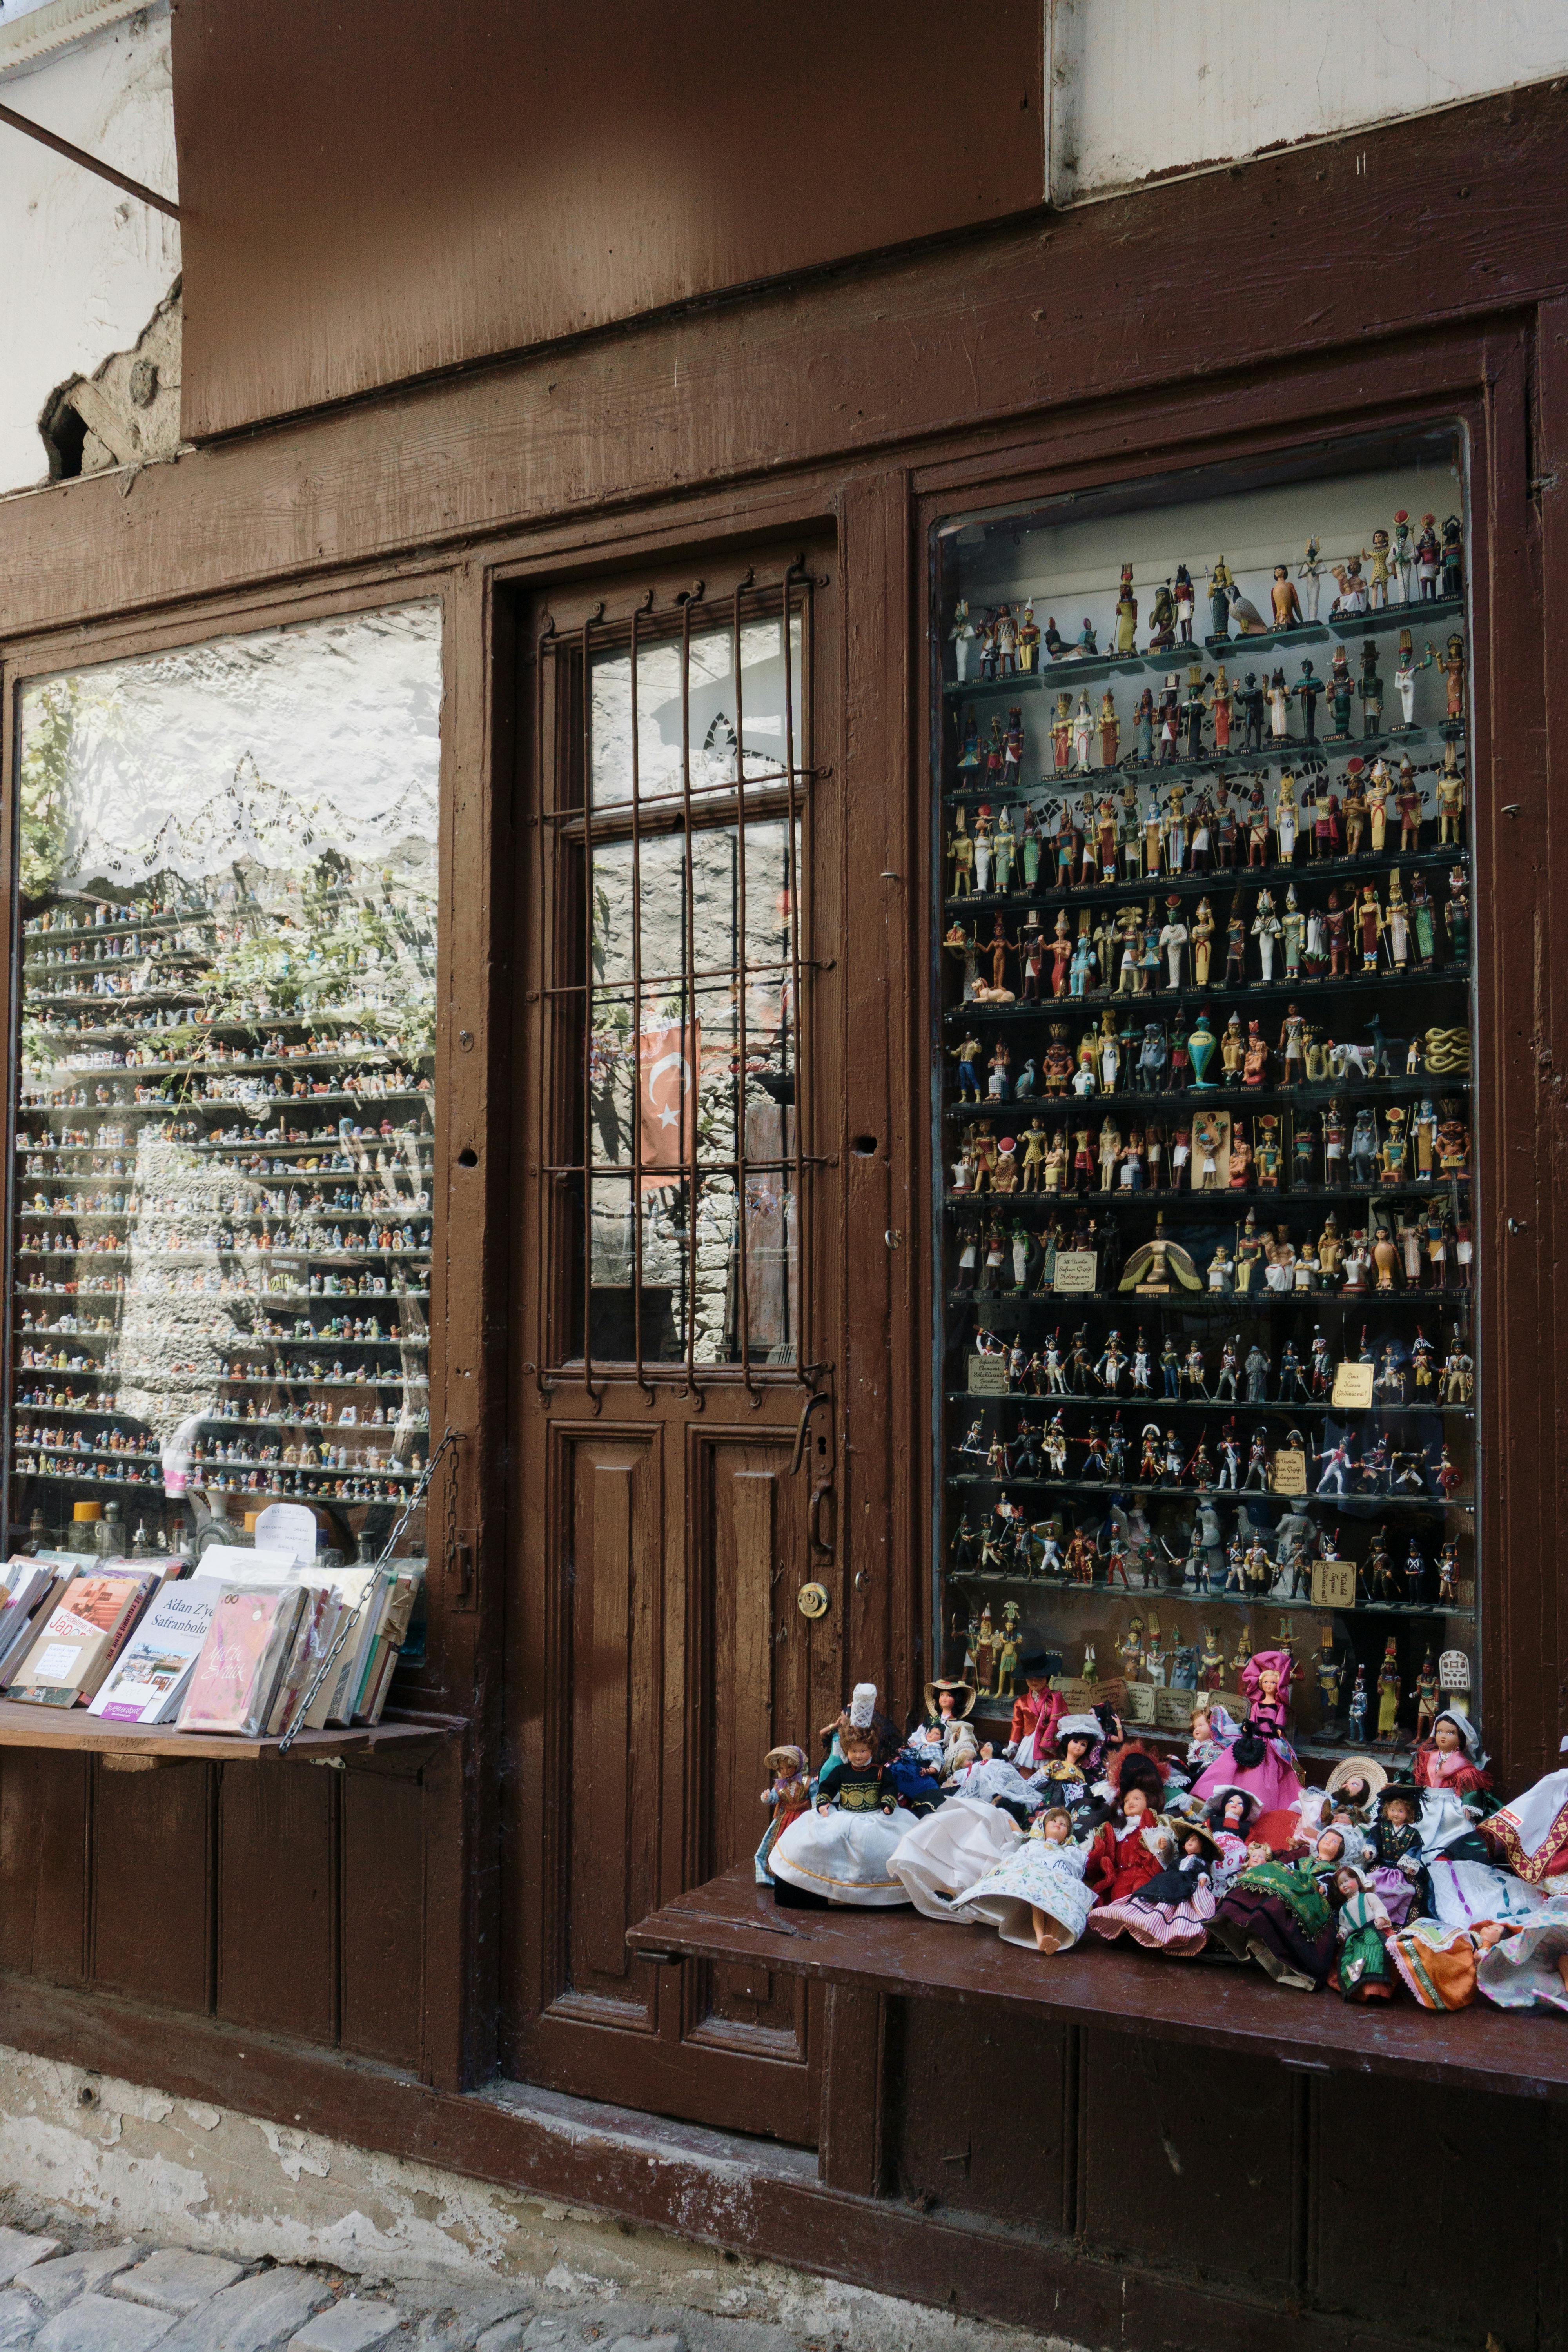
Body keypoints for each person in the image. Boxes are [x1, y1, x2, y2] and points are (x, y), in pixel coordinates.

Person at [768, 1684, 918, 1907]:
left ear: (871, 1750)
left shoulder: (880, 1771)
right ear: (846, 1751)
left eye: (864, 1751)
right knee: (816, 1840)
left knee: (885, 1845)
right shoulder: (841, 1771)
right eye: (854, 1751)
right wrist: (823, 1803)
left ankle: (884, 1898)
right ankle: (824, 1892)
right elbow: (828, 1788)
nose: (859, 1756)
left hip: (874, 1816)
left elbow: (889, 1787)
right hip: (845, 1815)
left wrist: (888, 1802)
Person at [958, 1806, 1095, 1952]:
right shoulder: (1034, 1845)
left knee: (1057, 1912)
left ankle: (1052, 1940)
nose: (1058, 1825)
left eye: (1063, 1825)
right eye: (1053, 1821)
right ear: (1043, 1827)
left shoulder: (1070, 1851)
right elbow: (1019, 1859)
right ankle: (1040, 1938)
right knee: (1038, 1908)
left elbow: (1077, 1868)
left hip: (1057, 1886)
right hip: (1036, 1882)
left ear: (1068, 1834)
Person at [1086, 1818, 1222, 1957]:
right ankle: (1138, 1924)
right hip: (1170, 1882)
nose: (1190, 1843)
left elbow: (1202, 1872)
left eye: (1196, 1841)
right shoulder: (1180, 1860)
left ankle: (1169, 1934)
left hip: (1186, 1886)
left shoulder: (1199, 1861)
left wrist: (1202, 1878)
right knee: (1152, 1900)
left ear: (1204, 1847)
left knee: (1176, 1910)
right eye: (1188, 1840)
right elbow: (1172, 1868)